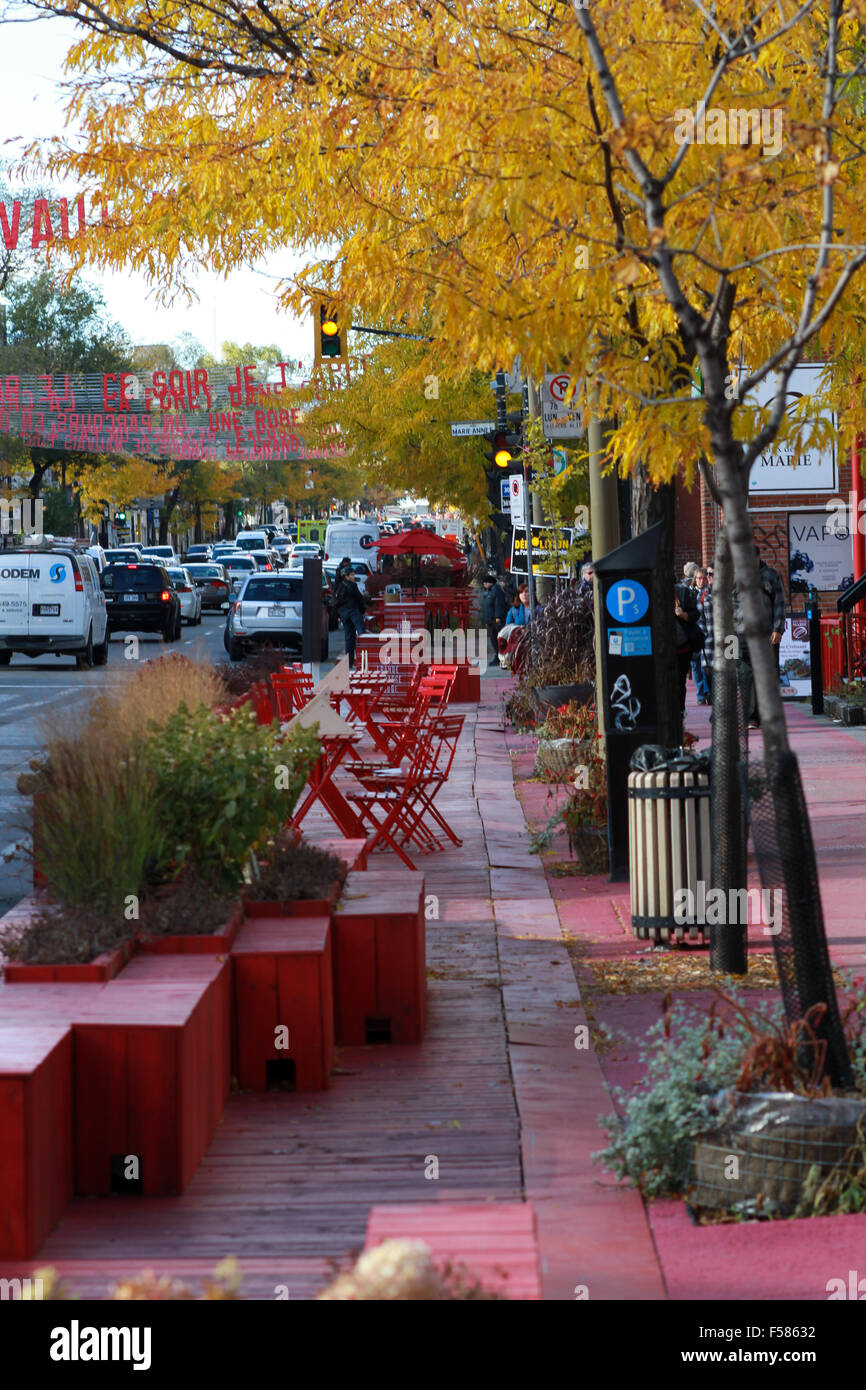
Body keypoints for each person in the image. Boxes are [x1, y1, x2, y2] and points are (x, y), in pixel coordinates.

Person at [733, 546, 786, 730]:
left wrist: (778, 629)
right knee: (745, 675)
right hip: (741, 634)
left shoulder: (771, 575)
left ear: (758, 558)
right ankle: (751, 717)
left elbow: (779, 602)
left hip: (766, 634)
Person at [674, 577, 704, 718]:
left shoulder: (682, 592)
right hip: (660, 648)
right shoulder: (650, 592)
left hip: (682, 646)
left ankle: (679, 710)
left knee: (679, 680)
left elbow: (695, 614)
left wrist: (684, 615)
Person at [335, 566, 367, 669]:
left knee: (349, 638)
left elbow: (335, 603)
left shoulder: (339, 587)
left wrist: (339, 615)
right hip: (353, 612)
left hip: (344, 615)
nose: (354, 576)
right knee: (362, 635)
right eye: (352, 575)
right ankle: (364, 661)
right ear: (347, 576)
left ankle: (349, 662)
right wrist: (362, 610)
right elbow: (359, 599)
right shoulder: (352, 586)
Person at [690, 567, 711, 705]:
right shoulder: (689, 593)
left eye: (704, 578)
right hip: (693, 633)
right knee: (696, 665)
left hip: (706, 635)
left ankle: (706, 692)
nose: (701, 581)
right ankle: (700, 693)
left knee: (705, 665)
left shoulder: (709, 593)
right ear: (694, 579)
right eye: (699, 578)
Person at [480, 571, 508, 657]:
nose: (484, 585)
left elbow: (499, 604)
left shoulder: (496, 591)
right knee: (493, 638)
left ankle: (500, 655)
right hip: (491, 619)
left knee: (497, 638)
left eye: (485, 583)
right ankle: (498, 655)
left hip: (495, 619)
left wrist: (498, 617)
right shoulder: (491, 591)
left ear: (489, 583)